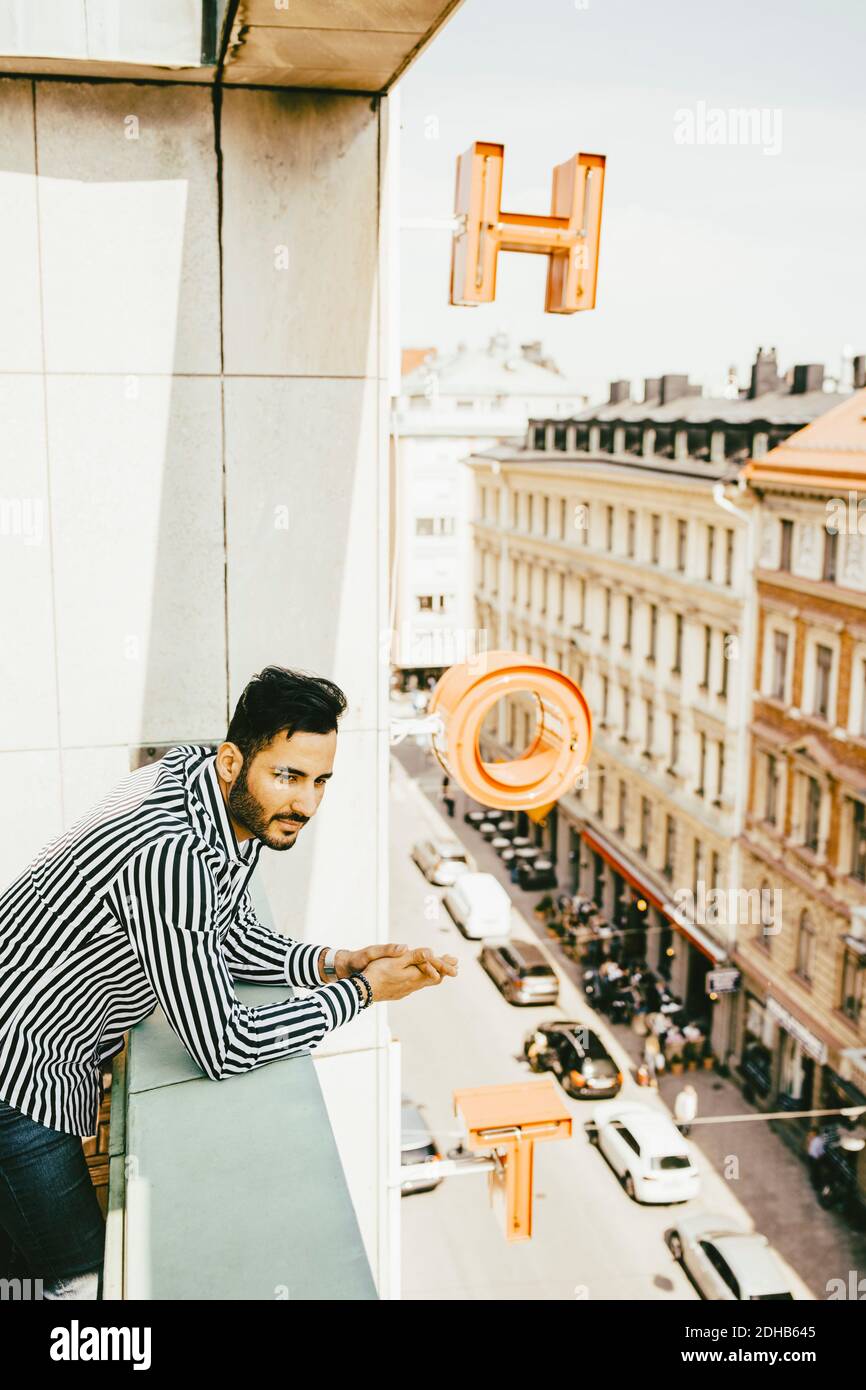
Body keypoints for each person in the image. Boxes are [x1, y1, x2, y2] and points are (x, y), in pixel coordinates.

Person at [0, 665, 458, 1299]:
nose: (305, 804)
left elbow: (228, 932)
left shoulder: (199, 784)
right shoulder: (174, 852)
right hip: (14, 1077)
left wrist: (338, 961)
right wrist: (365, 993)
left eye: (320, 781)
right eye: (288, 777)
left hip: (38, 1051)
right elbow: (223, 1047)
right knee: (82, 1277)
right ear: (233, 759)